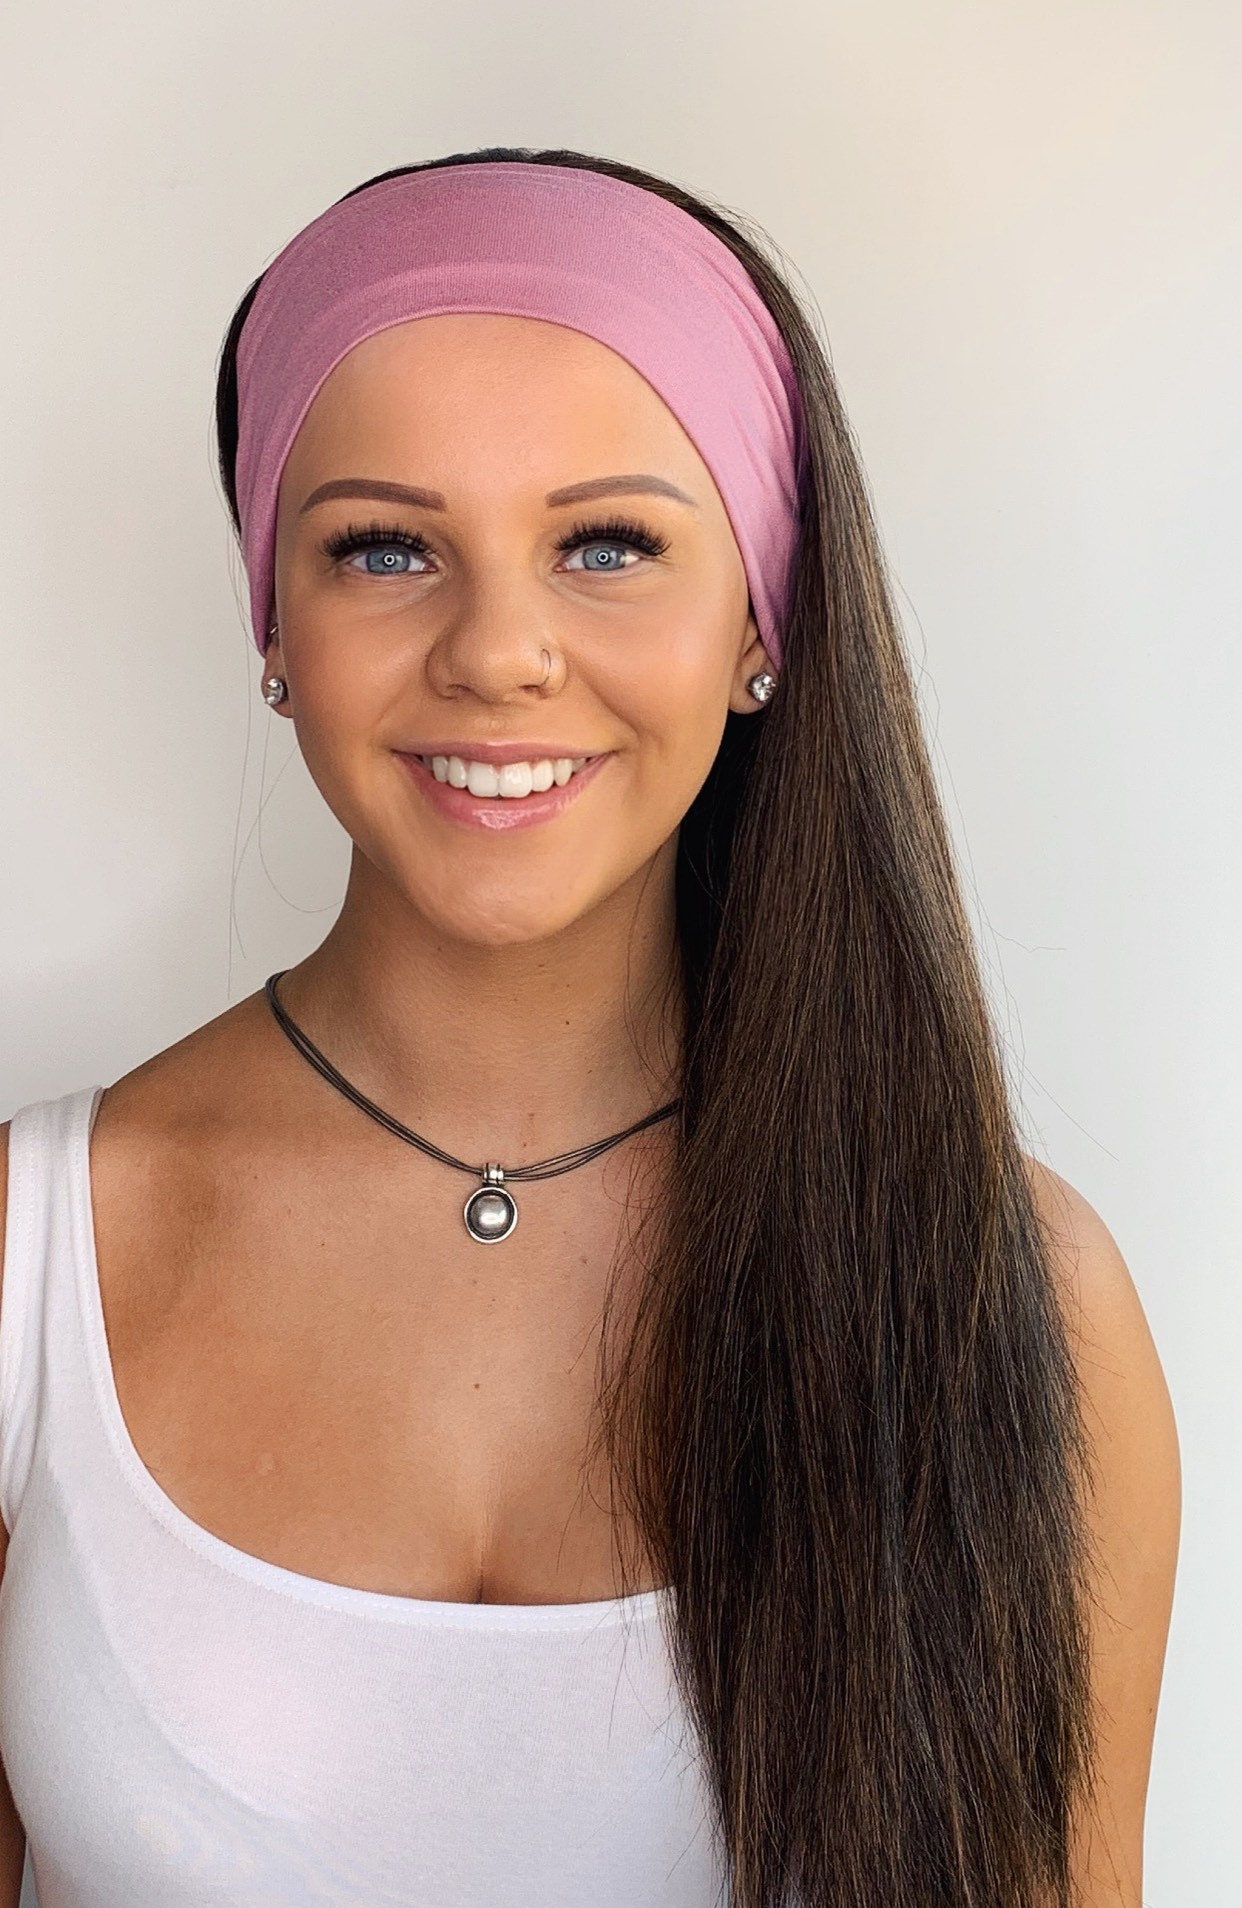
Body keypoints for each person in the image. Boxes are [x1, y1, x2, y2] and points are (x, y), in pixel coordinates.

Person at [0, 147, 1179, 1908]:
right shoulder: (31, 1260)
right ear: (272, 620)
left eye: (607, 544)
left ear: (760, 620)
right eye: (384, 547)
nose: (499, 652)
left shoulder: (1010, 1299)